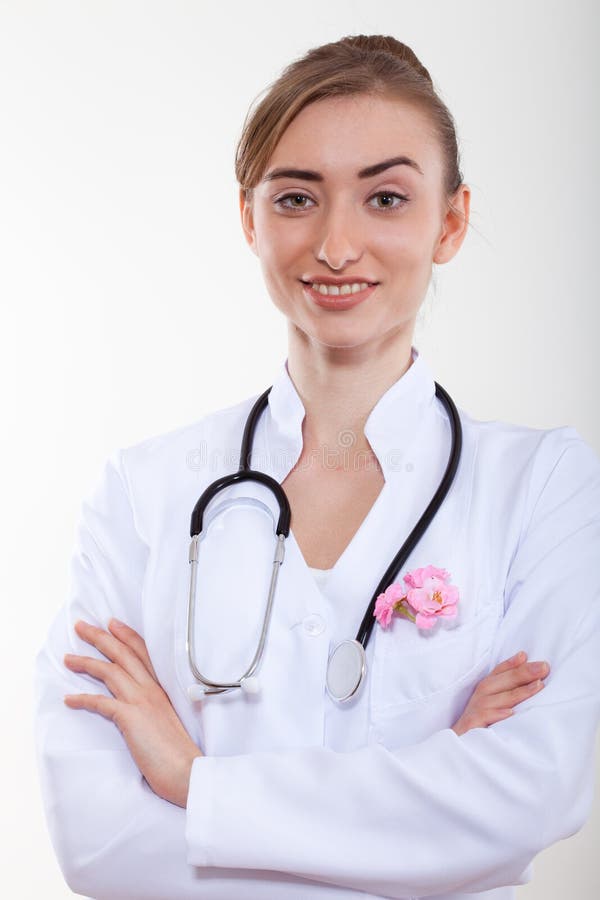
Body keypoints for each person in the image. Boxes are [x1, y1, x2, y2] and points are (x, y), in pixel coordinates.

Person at [34, 34, 600, 900]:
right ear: (248, 218)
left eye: (386, 197)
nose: (337, 245)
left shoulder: (541, 486)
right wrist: (433, 802)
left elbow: (534, 793)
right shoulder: (142, 493)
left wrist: (196, 785)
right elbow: (101, 847)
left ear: (449, 222)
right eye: (298, 197)